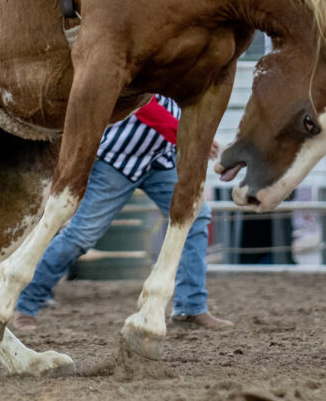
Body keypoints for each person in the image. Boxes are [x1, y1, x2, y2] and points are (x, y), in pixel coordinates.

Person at [12, 96, 231, 331]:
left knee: (195, 220)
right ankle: (25, 304)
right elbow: (141, 104)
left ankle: (191, 307)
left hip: (161, 159)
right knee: (80, 235)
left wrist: (194, 132)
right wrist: (187, 134)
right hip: (116, 161)